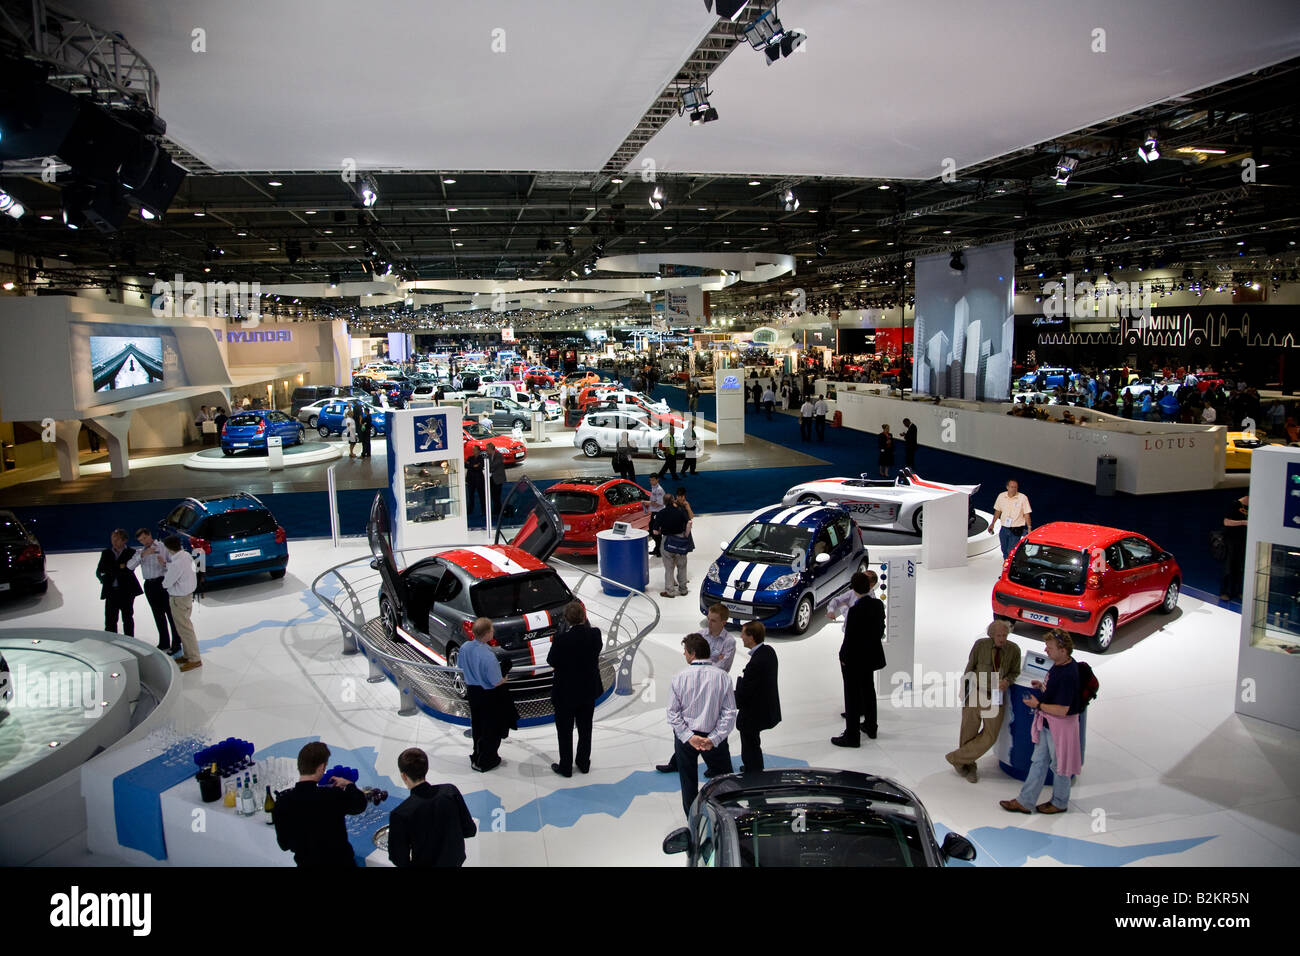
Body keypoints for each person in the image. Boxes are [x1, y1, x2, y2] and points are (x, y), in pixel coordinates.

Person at [999, 628, 1082, 815]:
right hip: (1048, 725)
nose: (1046, 651)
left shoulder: (1068, 674)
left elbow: (1063, 709)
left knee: (1060, 766)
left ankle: (1060, 802)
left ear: (1063, 650)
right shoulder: (1059, 665)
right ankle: (1025, 801)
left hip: (1060, 728)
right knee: (1038, 761)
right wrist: (1043, 687)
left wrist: (1038, 705)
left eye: (1050, 648)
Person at [656, 603, 737, 774]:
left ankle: (717, 768)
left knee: (716, 733)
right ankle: (677, 762)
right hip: (697, 682)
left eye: (714, 621)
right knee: (686, 732)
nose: (710, 624)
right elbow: (708, 661)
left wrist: (706, 664)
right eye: (708, 619)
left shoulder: (729, 642)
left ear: (724, 622)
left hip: (714, 686)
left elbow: (724, 667)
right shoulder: (700, 635)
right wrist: (713, 660)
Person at [666, 634, 738, 818]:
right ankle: (728, 817)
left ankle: (693, 821)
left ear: (693, 654)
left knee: (688, 782)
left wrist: (689, 737)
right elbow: (729, 713)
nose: (684, 655)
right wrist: (714, 738)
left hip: (686, 739)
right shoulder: (723, 677)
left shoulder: (679, 678)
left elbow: (673, 713)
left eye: (685, 652)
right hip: (714, 738)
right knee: (723, 781)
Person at [944, 620, 1022, 782]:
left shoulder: (1014, 650)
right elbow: (970, 668)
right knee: (968, 731)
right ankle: (969, 766)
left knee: (990, 735)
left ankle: (956, 758)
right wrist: (963, 691)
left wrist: (1007, 681)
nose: (1002, 639)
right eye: (999, 635)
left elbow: (1015, 671)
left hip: (996, 696)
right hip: (976, 692)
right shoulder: (981, 645)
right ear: (991, 635)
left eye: (1005, 635)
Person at [272, 741, 369, 866]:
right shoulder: (331, 796)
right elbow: (359, 805)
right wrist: (349, 784)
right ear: (321, 767)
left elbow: (284, 844)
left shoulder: (282, 802)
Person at [387, 747, 477, 868]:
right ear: (427, 768)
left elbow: (399, 858)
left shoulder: (400, 814)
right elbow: (469, 830)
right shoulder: (450, 791)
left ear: (404, 776)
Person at [547, 601, 603, 777]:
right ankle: (583, 763)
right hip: (587, 691)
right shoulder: (595, 635)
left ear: (566, 620)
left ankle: (566, 766)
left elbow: (551, 661)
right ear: (584, 617)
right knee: (585, 729)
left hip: (565, 693)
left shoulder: (561, 640)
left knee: (564, 731)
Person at [832, 571, 885, 747]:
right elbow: (880, 630)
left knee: (852, 695)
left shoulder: (854, 611)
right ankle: (871, 726)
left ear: (854, 589)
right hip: (870, 656)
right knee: (869, 690)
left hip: (854, 660)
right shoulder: (878, 605)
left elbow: (850, 638)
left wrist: (843, 658)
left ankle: (852, 735)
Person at [460, 617, 514, 772]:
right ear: (486, 633)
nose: (493, 632)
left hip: (473, 692)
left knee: (477, 724)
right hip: (487, 695)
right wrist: (504, 678)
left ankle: (477, 753)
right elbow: (495, 681)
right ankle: (487, 759)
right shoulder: (488, 656)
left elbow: (462, 666)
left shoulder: (465, 647)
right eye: (491, 630)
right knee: (490, 727)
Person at [734, 620, 780, 773]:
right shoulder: (769, 651)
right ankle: (752, 766)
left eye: (743, 633)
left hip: (754, 713)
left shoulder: (756, 663)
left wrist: (737, 686)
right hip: (765, 708)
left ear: (751, 637)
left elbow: (745, 691)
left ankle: (753, 771)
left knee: (750, 743)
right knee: (753, 742)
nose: (741, 636)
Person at [129, 528, 176, 653]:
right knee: (158, 615)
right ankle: (164, 642)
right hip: (149, 585)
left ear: (150, 535)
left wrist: (164, 563)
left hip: (163, 583)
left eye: (144, 538)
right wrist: (143, 555)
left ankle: (176, 643)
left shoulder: (163, 546)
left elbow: (174, 563)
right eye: (140, 540)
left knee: (170, 614)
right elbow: (130, 566)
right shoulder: (140, 552)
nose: (143, 542)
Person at [161, 535, 202, 671]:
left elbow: (166, 583)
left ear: (168, 548)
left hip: (178, 599)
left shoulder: (176, 564)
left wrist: (166, 577)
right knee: (183, 628)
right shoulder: (186, 555)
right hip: (186, 596)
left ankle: (194, 659)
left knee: (184, 629)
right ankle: (188, 654)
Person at [97, 529, 142, 637]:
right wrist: (106, 579)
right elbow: (100, 571)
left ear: (124, 540)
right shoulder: (106, 553)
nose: (114, 541)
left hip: (127, 592)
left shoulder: (131, 552)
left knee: (127, 618)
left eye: (117, 539)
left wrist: (112, 570)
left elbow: (128, 570)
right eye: (113, 539)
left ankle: (130, 641)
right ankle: (111, 642)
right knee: (110, 619)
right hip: (111, 591)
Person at [654, 491, 691, 599]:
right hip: (680, 540)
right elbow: (689, 523)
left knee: (669, 568)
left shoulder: (661, 513)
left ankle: (670, 591)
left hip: (667, 541)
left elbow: (655, 531)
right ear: (673, 500)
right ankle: (683, 589)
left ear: (664, 502)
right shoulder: (680, 511)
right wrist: (685, 535)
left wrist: (662, 531)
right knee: (682, 566)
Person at [990, 479, 1032, 558]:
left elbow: (1027, 514)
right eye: (1012, 487)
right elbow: (997, 511)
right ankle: (1007, 563)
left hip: (1016, 529)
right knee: (1004, 549)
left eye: (1015, 487)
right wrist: (992, 524)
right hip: (1004, 528)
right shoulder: (1001, 496)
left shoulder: (1023, 498)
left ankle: (1008, 566)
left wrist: (1029, 527)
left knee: (1010, 550)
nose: (1014, 489)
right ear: (1007, 487)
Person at [1221, 494, 1249, 602]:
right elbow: (1226, 522)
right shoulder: (1235, 505)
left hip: (1242, 542)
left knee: (1239, 568)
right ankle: (1225, 591)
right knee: (1228, 567)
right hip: (1231, 541)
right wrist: (1242, 523)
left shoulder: (1250, 508)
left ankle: (1237, 591)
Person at [645, 474, 665, 557]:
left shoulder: (659, 490)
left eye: (653, 480)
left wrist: (648, 503)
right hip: (654, 512)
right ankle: (657, 549)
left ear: (657, 480)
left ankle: (660, 550)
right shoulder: (654, 488)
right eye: (650, 480)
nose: (651, 482)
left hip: (658, 513)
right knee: (652, 531)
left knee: (656, 531)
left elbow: (659, 503)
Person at [465, 449, 485, 518]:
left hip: (479, 480)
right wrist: (474, 466)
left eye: (475, 450)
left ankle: (484, 510)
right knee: (470, 496)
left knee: (482, 496)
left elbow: (480, 466)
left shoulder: (481, 458)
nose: (473, 451)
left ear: (478, 451)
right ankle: (470, 510)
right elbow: (466, 465)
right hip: (470, 480)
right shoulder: (470, 458)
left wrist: (471, 465)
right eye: (473, 450)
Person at [488, 444, 507, 518]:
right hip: (492, 479)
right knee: (493, 495)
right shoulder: (488, 456)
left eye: (487, 448)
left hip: (498, 479)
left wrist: (489, 468)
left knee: (497, 495)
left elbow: (494, 465)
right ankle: (496, 509)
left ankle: (499, 510)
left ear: (491, 449)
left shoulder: (499, 455)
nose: (486, 450)